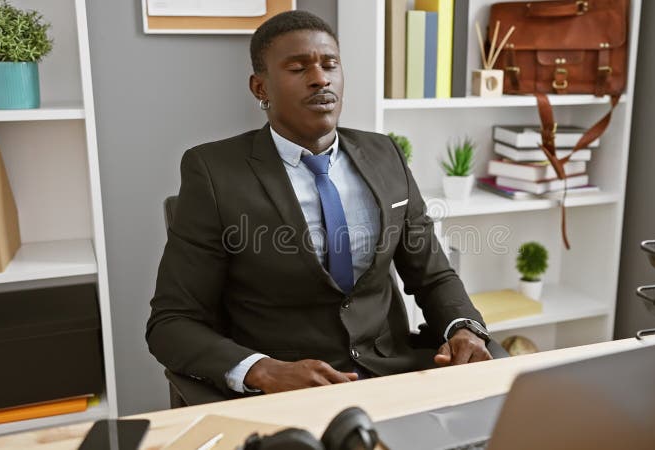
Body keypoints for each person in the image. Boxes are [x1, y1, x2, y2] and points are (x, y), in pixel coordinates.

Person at [147, 10, 498, 398]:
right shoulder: (214, 172)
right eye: (298, 68)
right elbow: (171, 322)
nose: (320, 78)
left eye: (330, 64)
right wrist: (263, 371)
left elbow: (433, 276)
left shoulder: (385, 154)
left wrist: (463, 327)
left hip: (390, 374)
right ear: (260, 88)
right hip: (287, 392)